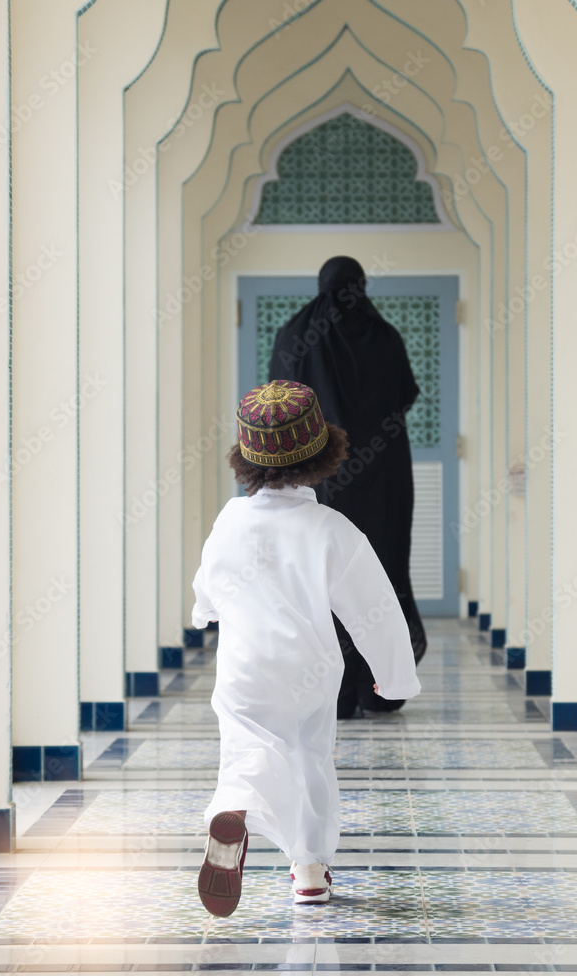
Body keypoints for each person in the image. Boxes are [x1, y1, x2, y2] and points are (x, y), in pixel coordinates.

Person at [192, 379, 420, 917]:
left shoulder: (230, 520)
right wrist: (394, 676)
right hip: (309, 672)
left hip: (243, 669)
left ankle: (232, 807)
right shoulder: (332, 529)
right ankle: (310, 870)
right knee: (310, 760)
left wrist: (204, 612)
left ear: (245, 458)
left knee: (245, 749)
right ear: (322, 454)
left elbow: (209, 585)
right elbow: (375, 609)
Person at [269, 256, 427, 718]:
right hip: (383, 482)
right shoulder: (384, 337)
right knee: (381, 574)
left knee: (317, 578)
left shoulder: (294, 336)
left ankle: (327, 694)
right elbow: (405, 395)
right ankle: (377, 688)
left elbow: (277, 407)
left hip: (315, 481)